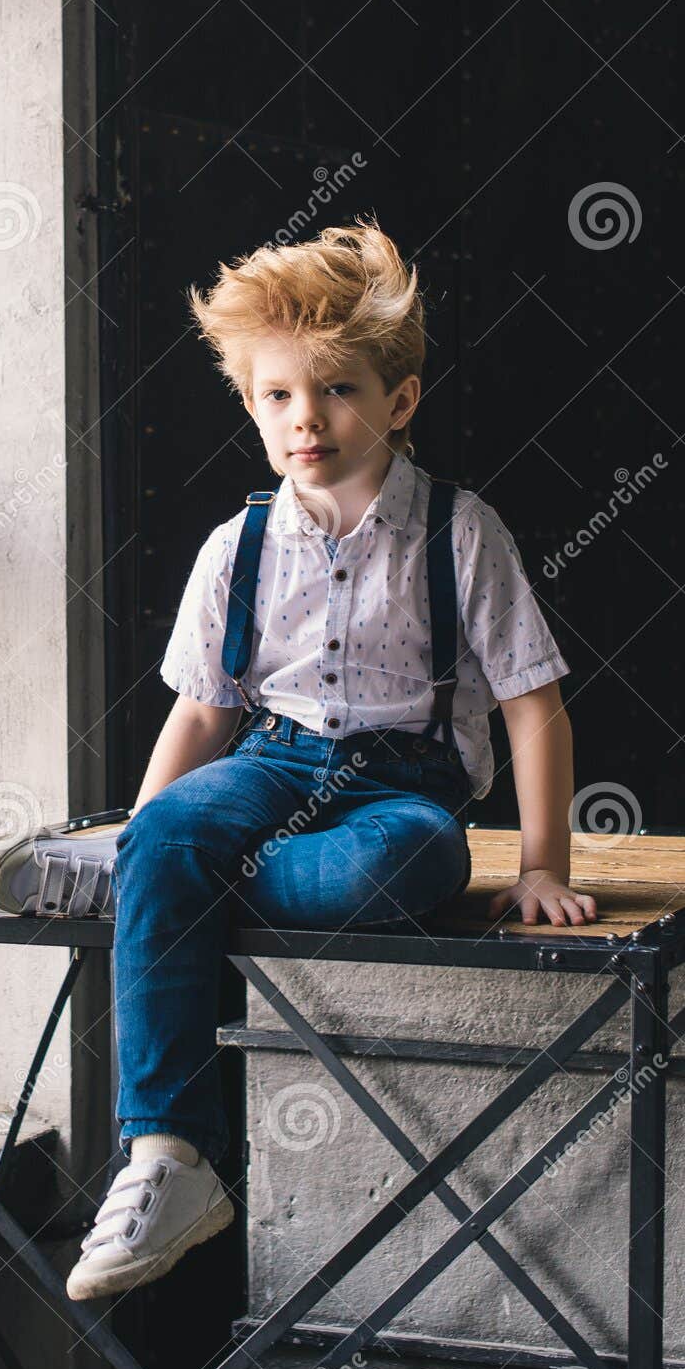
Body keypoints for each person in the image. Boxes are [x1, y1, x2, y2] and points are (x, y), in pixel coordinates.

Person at [65, 218, 598, 1303]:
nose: (307, 418)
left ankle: (150, 885)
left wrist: (543, 865)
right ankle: (171, 1153)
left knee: (400, 872)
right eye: (278, 397)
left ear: (398, 401)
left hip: (402, 794)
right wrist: (150, 825)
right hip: (272, 761)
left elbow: (536, 706)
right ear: (251, 403)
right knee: (169, 829)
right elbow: (204, 716)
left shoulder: (460, 532)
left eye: (339, 391)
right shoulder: (240, 545)